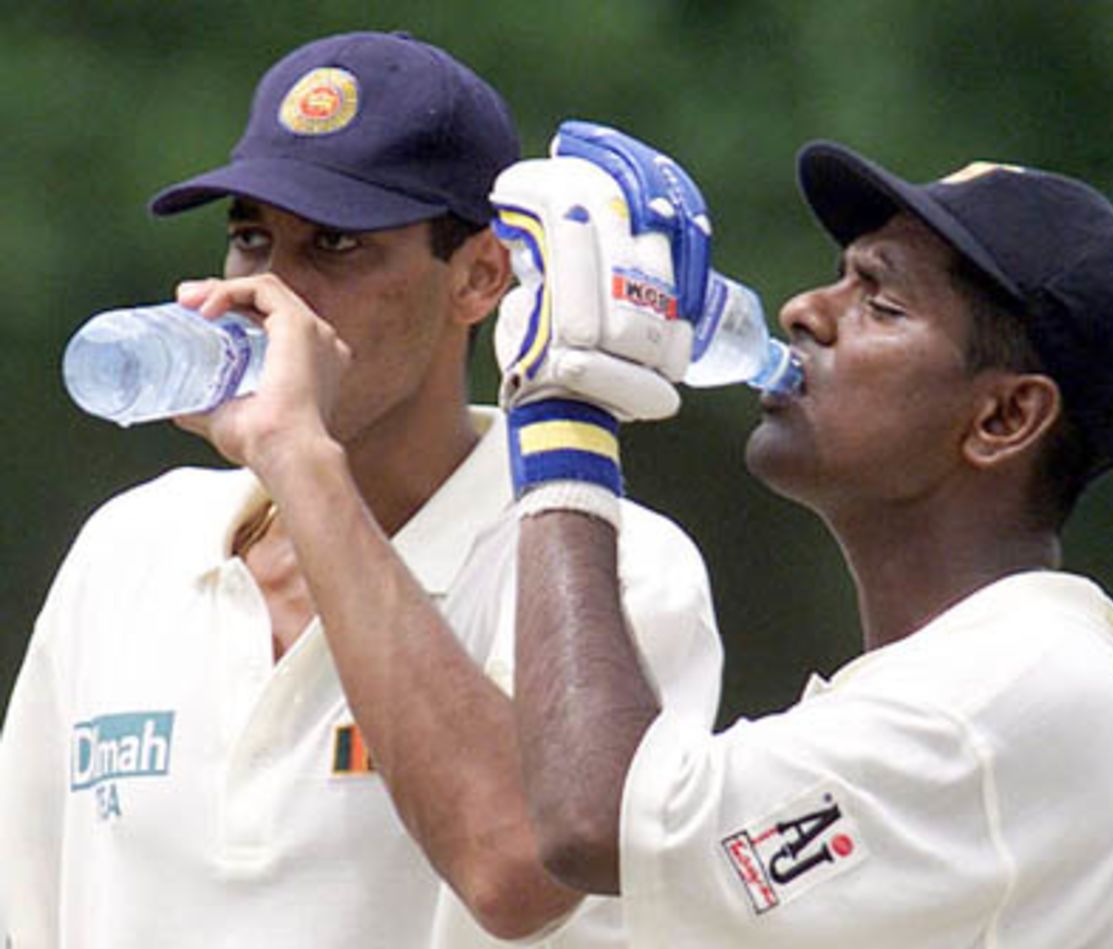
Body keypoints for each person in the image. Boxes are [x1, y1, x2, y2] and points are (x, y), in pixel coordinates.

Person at [0, 33, 723, 948]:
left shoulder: (606, 565)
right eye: (252, 238)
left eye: (335, 245)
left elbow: (517, 871)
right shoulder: (129, 548)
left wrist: (300, 459)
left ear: (479, 278)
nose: (273, 293)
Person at [489, 136, 1113, 946]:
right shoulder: (954, 687)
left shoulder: (1020, 683)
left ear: (1004, 418)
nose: (803, 312)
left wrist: (563, 424)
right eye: (842, 275)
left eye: (882, 303)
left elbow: (596, 820)